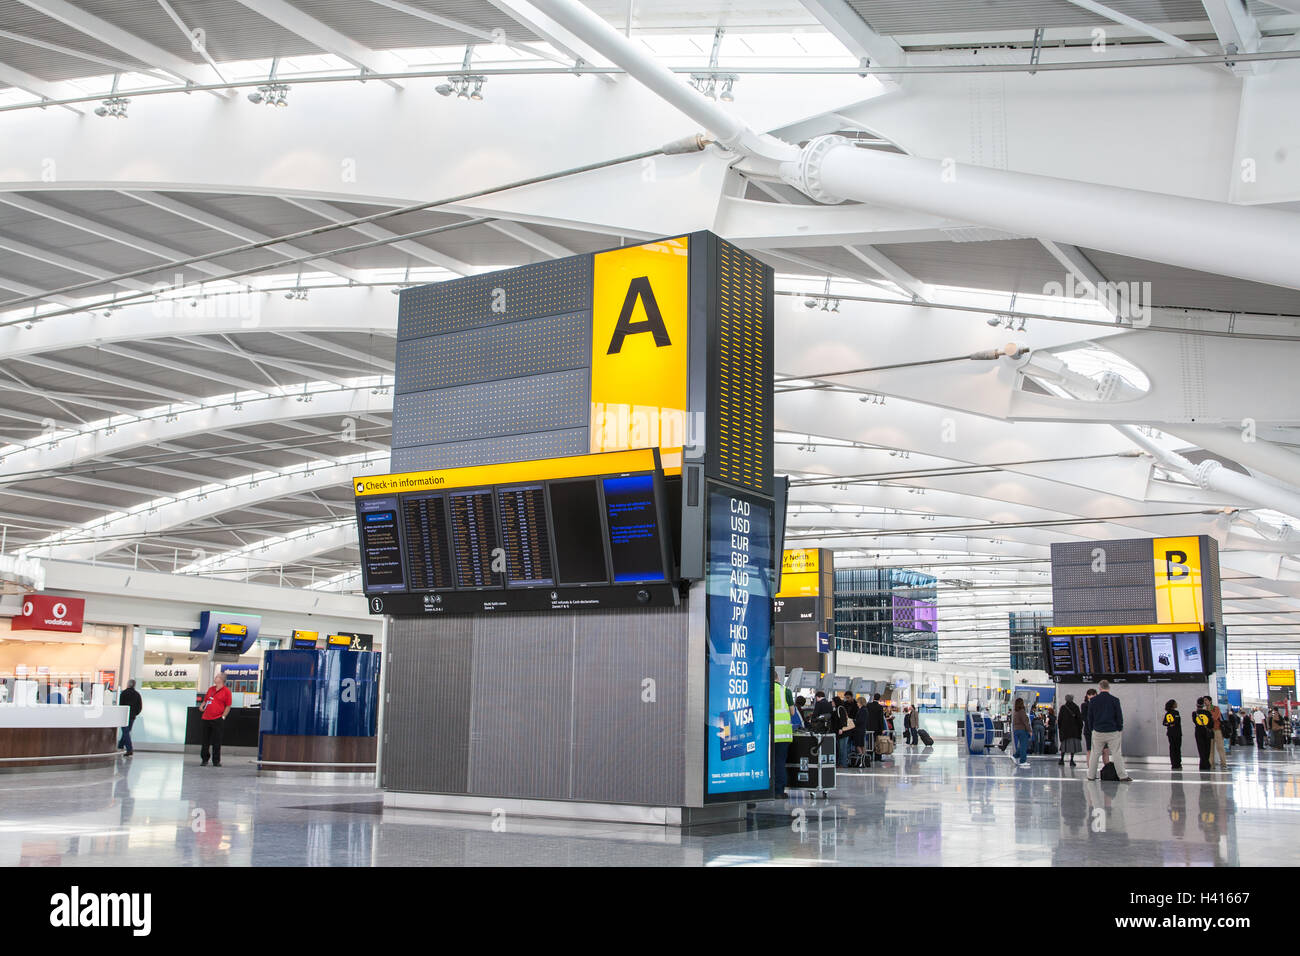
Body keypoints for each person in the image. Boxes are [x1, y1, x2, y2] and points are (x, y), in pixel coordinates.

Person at [1085, 681, 1133, 782]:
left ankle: (1091, 775)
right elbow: (1119, 716)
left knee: (1095, 754)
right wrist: (1119, 728)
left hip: (1098, 731)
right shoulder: (1115, 700)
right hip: (1112, 731)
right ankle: (1122, 776)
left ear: (1100, 688)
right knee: (1116, 754)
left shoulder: (1093, 701)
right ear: (1109, 688)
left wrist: (1092, 728)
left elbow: (1090, 717)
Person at [198, 671, 232, 767]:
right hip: (206, 717)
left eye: (217, 677)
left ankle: (216, 760)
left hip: (217, 718)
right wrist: (202, 706)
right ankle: (204, 759)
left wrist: (223, 716)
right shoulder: (211, 689)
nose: (215, 678)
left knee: (217, 741)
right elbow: (206, 700)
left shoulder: (226, 691)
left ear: (221, 679)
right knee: (205, 740)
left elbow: (228, 705)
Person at [772, 680, 794, 797]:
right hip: (783, 734)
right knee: (780, 762)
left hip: (768, 733)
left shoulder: (764, 689)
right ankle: (779, 791)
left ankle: (766, 790)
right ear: (778, 678)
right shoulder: (786, 691)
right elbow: (792, 711)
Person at [118, 679, 142, 757]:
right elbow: (139, 706)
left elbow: (121, 704)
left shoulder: (124, 693)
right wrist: (135, 713)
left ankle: (129, 749)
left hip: (124, 715)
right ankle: (120, 746)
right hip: (132, 716)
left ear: (128, 684)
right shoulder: (137, 694)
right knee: (126, 732)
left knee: (125, 732)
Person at [1057, 693, 1083, 767]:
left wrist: (1060, 729)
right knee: (1073, 746)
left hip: (1065, 731)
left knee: (1064, 746)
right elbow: (1079, 720)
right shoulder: (1076, 707)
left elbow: (1059, 720)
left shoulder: (1063, 708)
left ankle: (1062, 759)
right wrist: (1080, 729)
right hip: (1074, 731)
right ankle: (1072, 760)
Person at [1192, 697, 1213, 770]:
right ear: (1203, 704)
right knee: (1207, 748)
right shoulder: (1207, 713)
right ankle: (1207, 764)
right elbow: (1211, 724)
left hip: (1198, 732)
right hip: (1206, 732)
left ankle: (1202, 764)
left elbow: (1195, 722)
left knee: (1201, 748)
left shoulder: (1194, 713)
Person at [1163, 699, 1182, 770]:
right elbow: (1177, 721)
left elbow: (1164, 723)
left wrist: (1168, 724)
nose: (1176, 704)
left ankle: (1174, 763)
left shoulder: (1167, 713)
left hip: (1170, 733)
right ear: (1173, 705)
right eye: (1175, 703)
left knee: (1172, 748)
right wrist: (1171, 724)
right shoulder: (1176, 712)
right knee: (1177, 748)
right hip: (1176, 733)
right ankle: (1177, 763)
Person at [1012, 698, 1031, 768]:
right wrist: (1030, 730)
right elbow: (1025, 722)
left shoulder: (1015, 712)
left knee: (1022, 745)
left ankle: (1015, 756)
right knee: (1023, 746)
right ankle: (1023, 761)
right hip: (1022, 730)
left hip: (1016, 730)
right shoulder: (1022, 711)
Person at [1209, 700, 1229, 769]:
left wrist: (1208, 718)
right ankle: (1211, 764)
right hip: (1209, 731)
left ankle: (1223, 764)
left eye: (1206, 700)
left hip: (1217, 729)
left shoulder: (1215, 708)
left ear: (1210, 701)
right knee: (1210, 748)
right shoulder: (1205, 709)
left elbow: (1215, 717)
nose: (1205, 702)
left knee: (1220, 747)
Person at [1081, 688, 1098, 764]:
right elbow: (1084, 717)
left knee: (1100, 749)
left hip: (1097, 729)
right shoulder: (1084, 705)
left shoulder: (1099, 704)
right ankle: (1090, 767)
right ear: (1087, 696)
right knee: (1089, 749)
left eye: (1093, 695)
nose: (1091, 696)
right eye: (1090, 695)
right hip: (1088, 730)